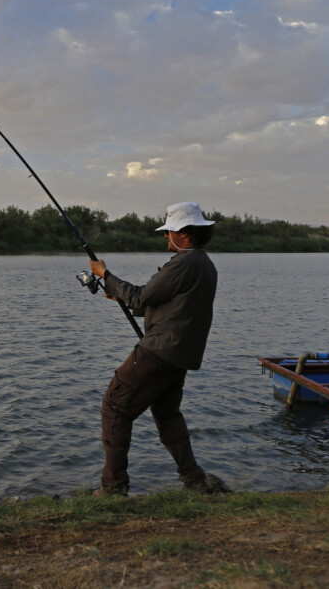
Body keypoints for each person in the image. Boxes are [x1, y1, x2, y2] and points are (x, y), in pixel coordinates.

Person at [87, 201, 229, 496]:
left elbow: (140, 297)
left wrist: (106, 276)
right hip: (180, 356)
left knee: (114, 407)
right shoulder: (204, 264)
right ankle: (194, 480)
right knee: (167, 415)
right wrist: (122, 298)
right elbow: (173, 308)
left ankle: (113, 488)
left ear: (185, 234)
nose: (166, 237)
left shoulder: (184, 263)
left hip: (159, 352)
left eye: (170, 232)